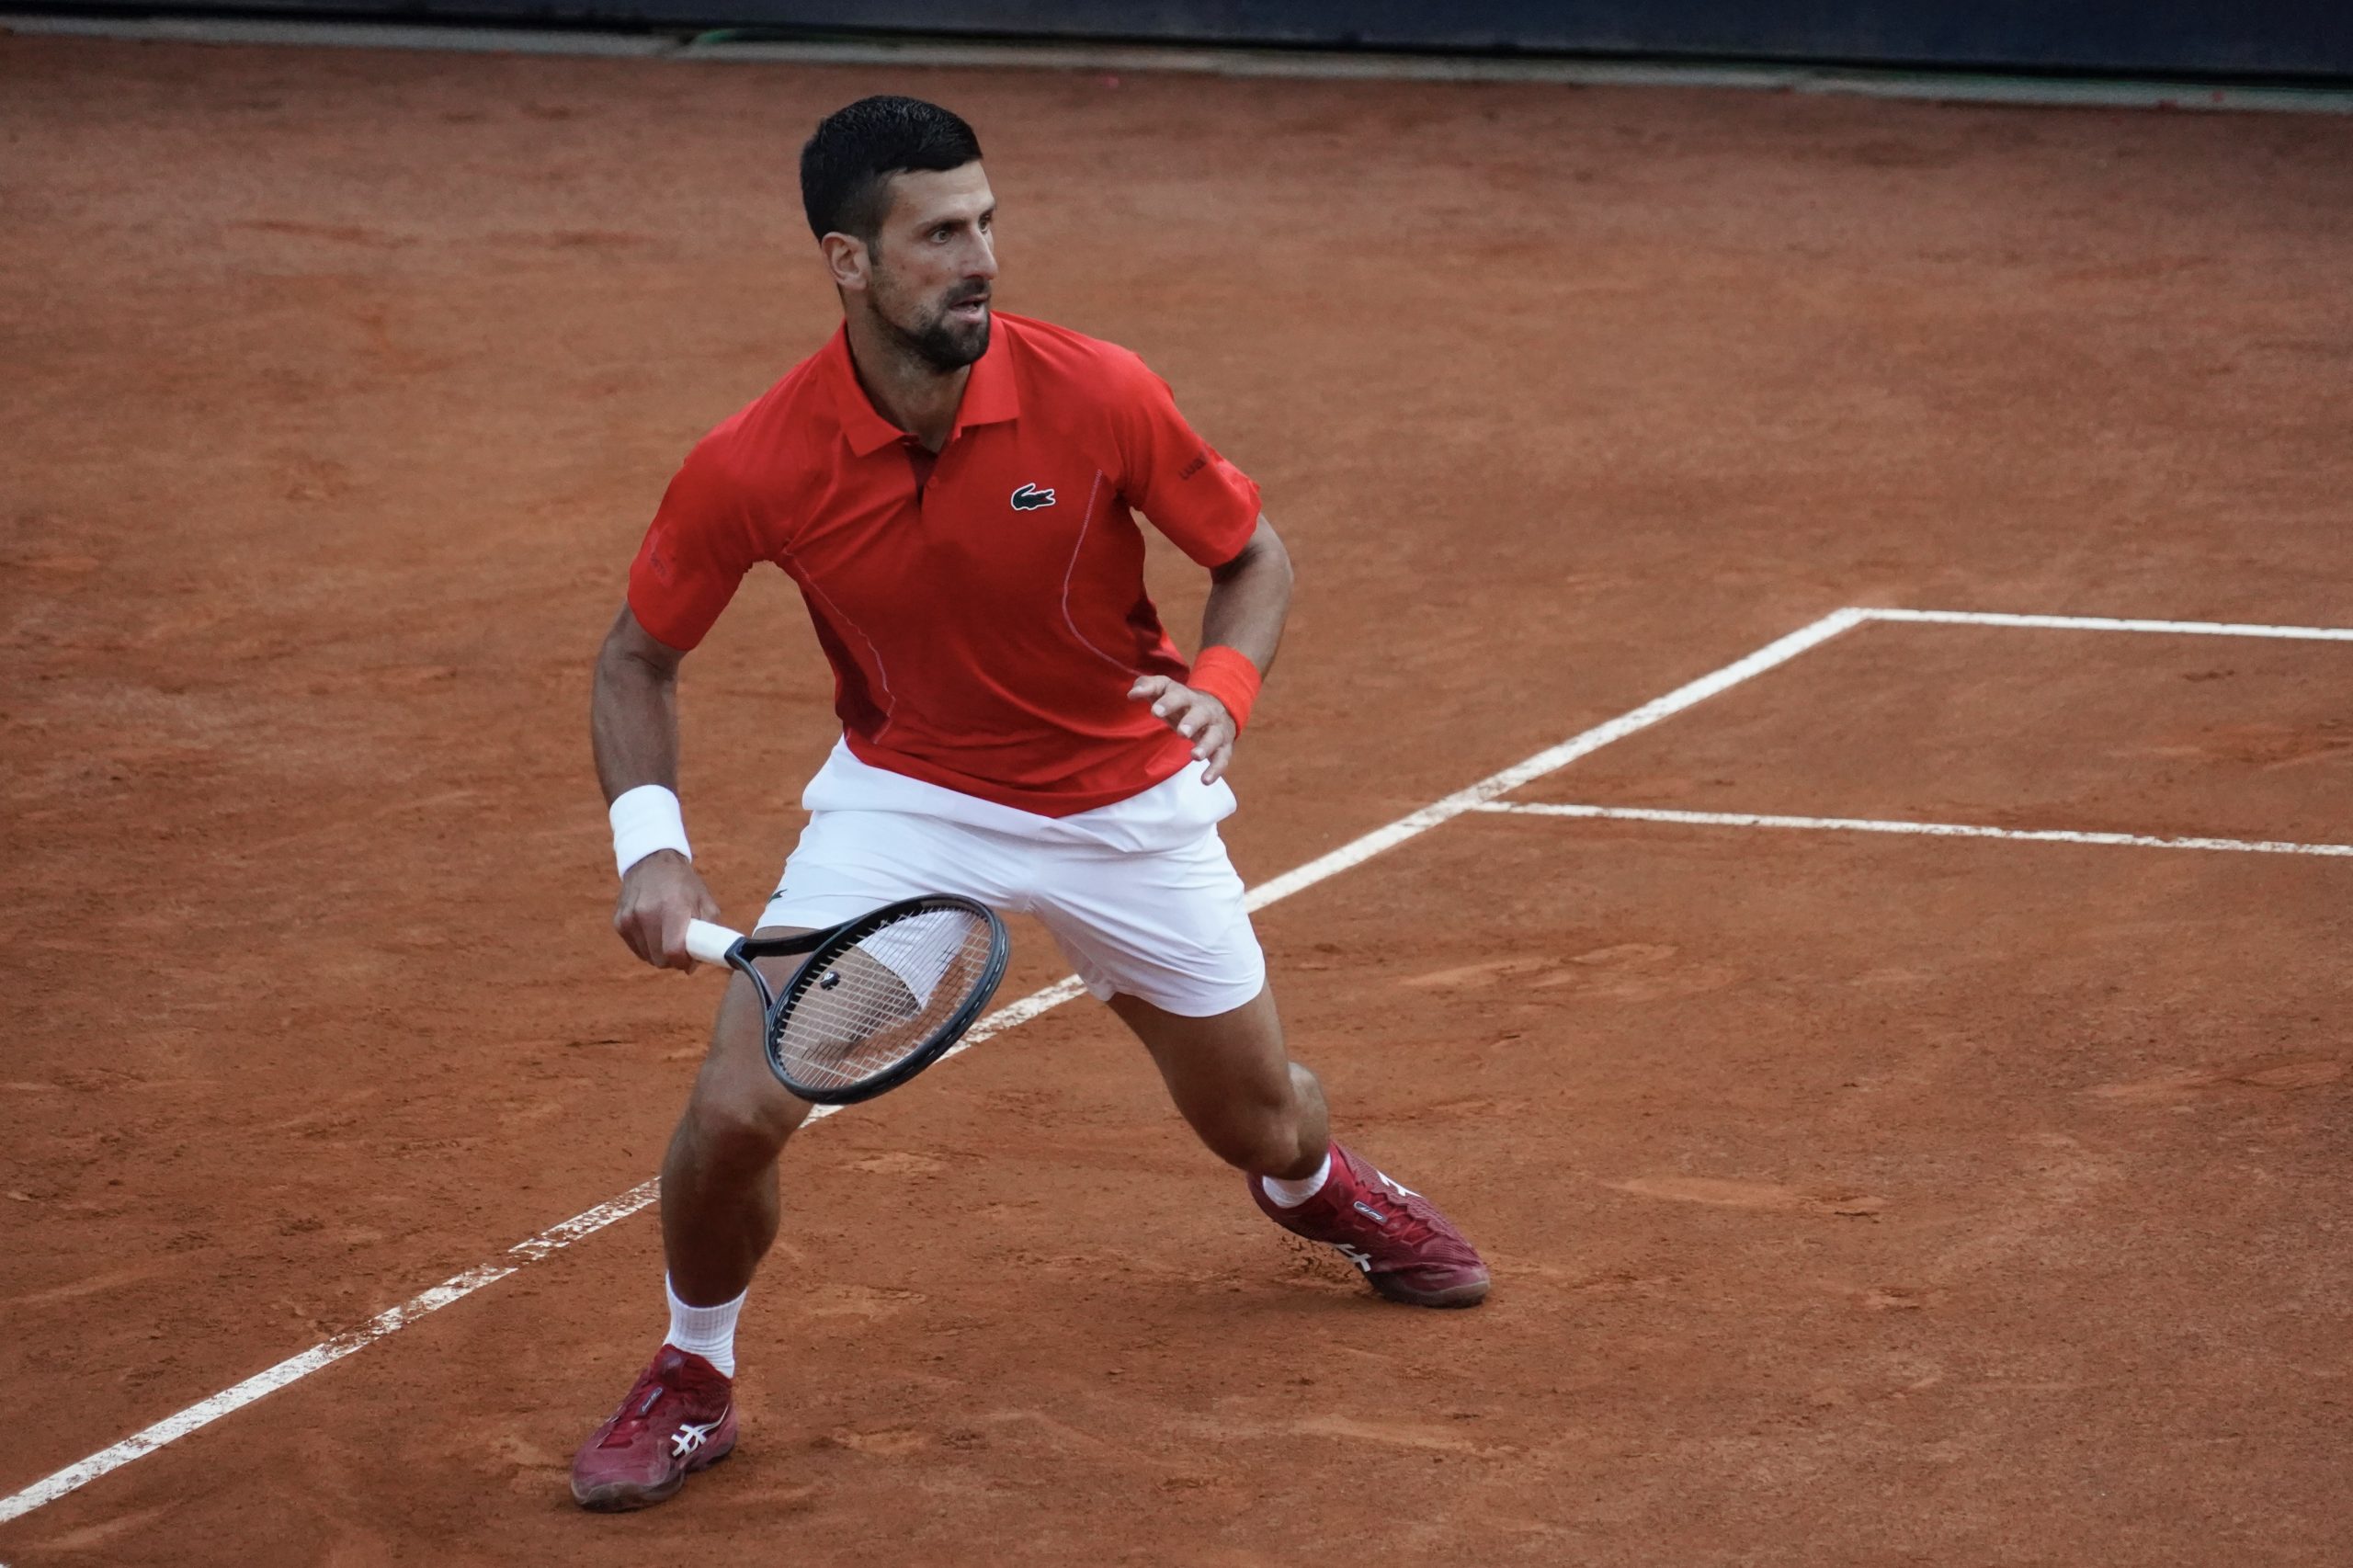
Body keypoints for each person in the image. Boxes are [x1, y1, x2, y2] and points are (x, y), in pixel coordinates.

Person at [573, 95, 1488, 1512]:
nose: (981, 255)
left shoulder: (1098, 390)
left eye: (988, 222)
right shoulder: (758, 460)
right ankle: (694, 1372)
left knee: (1261, 1121)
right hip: (912, 803)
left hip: (1129, 795)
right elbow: (638, 654)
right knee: (740, 1108)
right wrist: (655, 850)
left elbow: (1255, 557)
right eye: (939, 234)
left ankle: (1317, 1190)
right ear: (849, 262)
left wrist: (1223, 691)